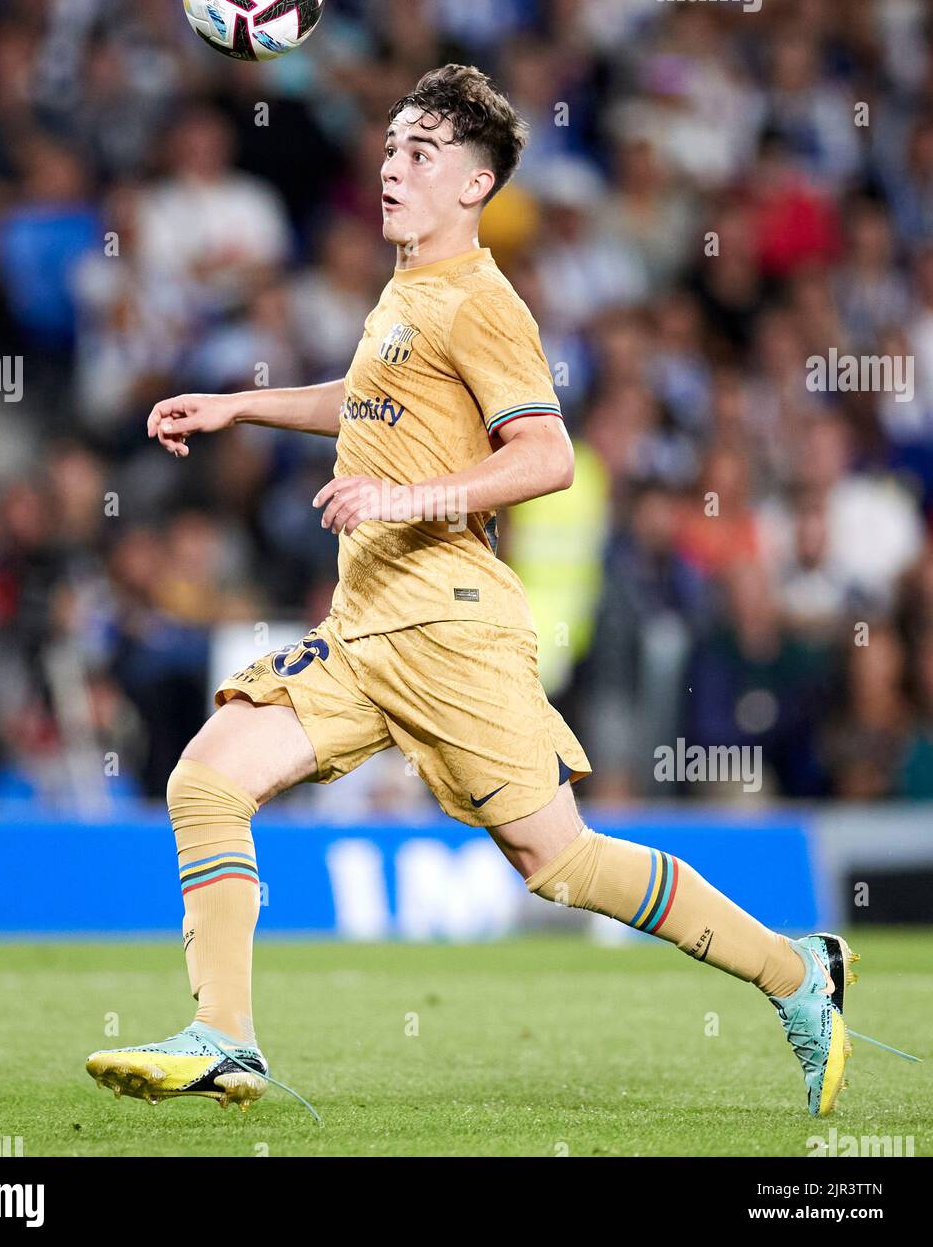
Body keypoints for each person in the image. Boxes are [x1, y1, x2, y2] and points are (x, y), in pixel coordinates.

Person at [86, 65, 855, 1120]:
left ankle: (792, 970)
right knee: (207, 782)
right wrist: (237, 404)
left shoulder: (484, 303)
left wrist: (410, 497)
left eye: (420, 153)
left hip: (449, 622)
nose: (392, 166)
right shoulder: (406, 294)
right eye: (392, 145)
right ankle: (226, 1037)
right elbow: (365, 402)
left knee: (561, 861)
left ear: (474, 185)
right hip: (366, 621)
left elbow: (546, 455)